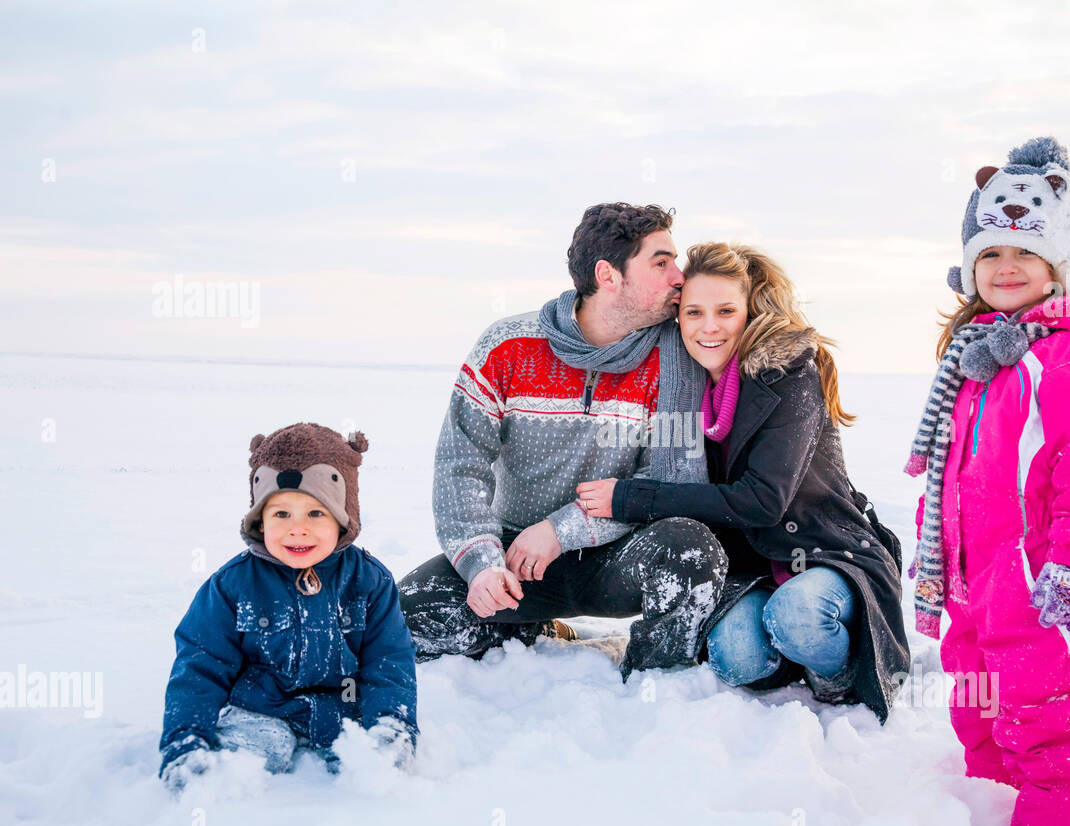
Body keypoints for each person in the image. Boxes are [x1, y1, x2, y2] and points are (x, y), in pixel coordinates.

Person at [904, 136, 1070, 826]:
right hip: (976, 586)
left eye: (1025, 256)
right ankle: (987, 812)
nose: (1006, 268)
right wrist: (935, 556)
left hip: (1039, 590)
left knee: (1047, 726)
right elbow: (955, 473)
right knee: (979, 712)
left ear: (1057, 266)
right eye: (991, 255)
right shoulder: (980, 355)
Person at [577, 242, 909, 721]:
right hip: (751, 567)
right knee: (735, 657)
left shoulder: (789, 375)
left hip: (824, 551)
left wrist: (629, 498)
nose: (709, 327)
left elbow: (761, 501)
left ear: (749, 312)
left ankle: (837, 676)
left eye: (725, 311)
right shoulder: (689, 385)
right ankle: (785, 660)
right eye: (694, 312)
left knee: (799, 618)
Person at [399, 203, 728, 681]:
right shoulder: (507, 346)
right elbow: (460, 466)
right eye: (661, 262)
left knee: (692, 551)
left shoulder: (675, 356)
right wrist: (483, 565)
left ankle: (654, 683)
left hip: (617, 557)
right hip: (516, 558)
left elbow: (669, 479)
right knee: (404, 617)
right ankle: (527, 629)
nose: (679, 276)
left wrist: (561, 530)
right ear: (608, 275)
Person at [158, 423, 419, 791]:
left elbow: (389, 661)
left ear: (343, 519)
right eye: (281, 515)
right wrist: (185, 741)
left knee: (368, 767)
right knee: (252, 757)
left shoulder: (369, 581)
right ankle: (216, 786)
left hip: (346, 712)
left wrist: (392, 725)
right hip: (261, 711)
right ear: (259, 520)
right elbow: (200, 666)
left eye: (315, 514)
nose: (298, 529)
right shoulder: (232, 584)